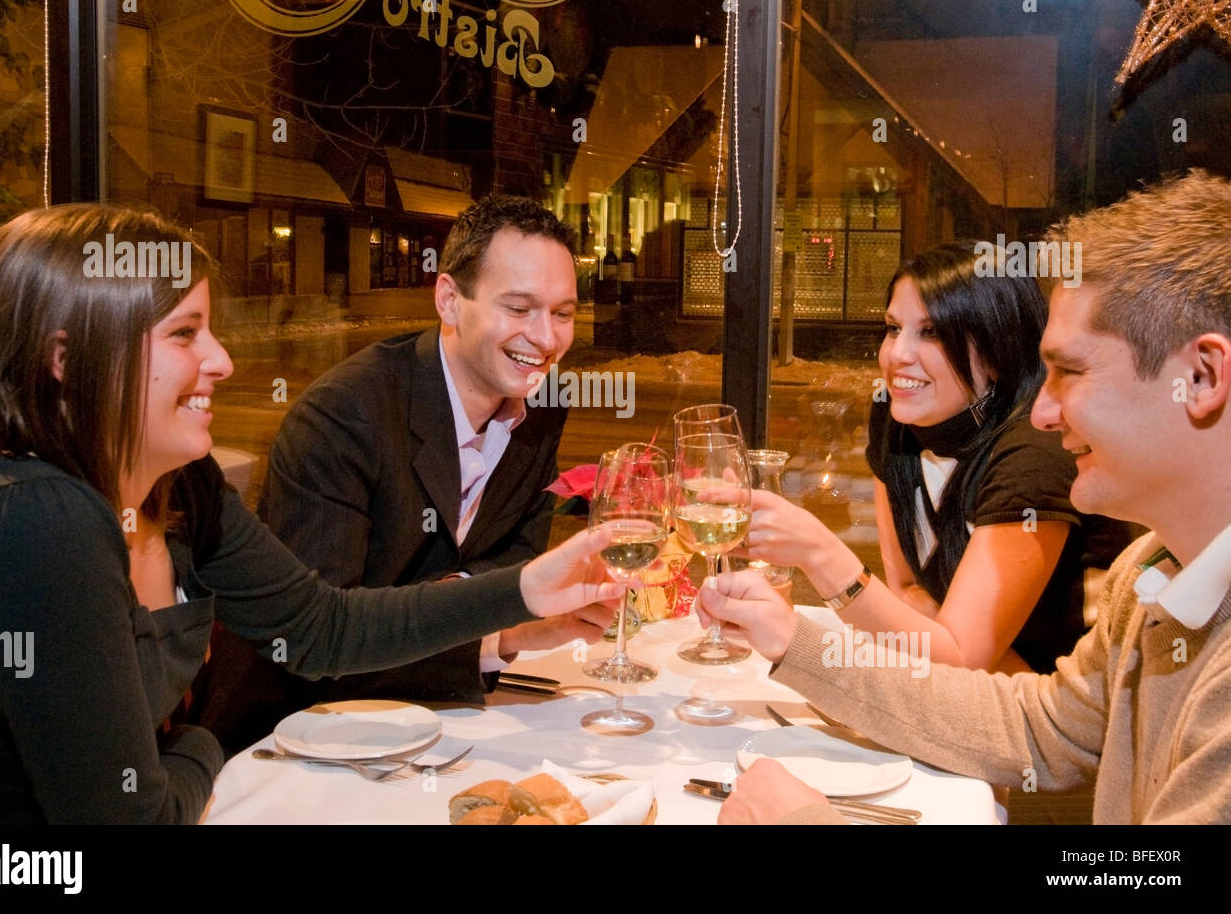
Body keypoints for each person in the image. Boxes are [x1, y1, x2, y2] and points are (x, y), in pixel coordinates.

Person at [0, 204, 625, 824]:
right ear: (66, 359)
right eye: (184, 334)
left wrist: (525, 593)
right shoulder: (34, 522)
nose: (223, 360)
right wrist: (204, 737)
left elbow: (325, 626)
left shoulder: (183, 486)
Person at [702, 170, 1231, 824]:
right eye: (893, 328)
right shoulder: (1152, 571)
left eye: (1069, 371)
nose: (1041, 412)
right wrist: (796, 643)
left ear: (1202, 377)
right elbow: (1035, 726)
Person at [193, 196, 608, 752]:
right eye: (519, 308)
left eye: (563, 313)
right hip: (291, 737)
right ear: (449, 300)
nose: (547, 338)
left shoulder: (542, 401)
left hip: (438, 722)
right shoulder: (347, 413)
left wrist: (487, 612)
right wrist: (498, 626)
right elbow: (317, 642)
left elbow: (515, 554)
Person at [741, 244, 1134, 673]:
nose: (897, 355)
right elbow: (905, 592)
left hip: (1054, 716)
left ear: (996, 353)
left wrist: (818, 553)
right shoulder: (896, 422)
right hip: (964, 694)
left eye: (931, 333)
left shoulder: (1033, 454)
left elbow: (962, 657)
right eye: (893, 328)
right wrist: (943, 637)